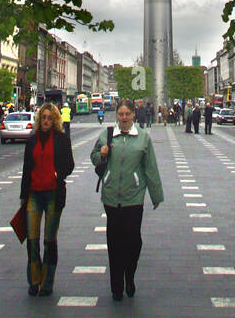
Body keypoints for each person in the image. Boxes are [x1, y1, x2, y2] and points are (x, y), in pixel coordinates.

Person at [91, 98, 164, 301]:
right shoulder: (107, 135)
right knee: (114, 242)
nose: (124, 118)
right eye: (121, 114)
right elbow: (94, 157)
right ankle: (116, 285)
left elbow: (150, 167)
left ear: (133, 115)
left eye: (127, 114)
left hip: (134, 197)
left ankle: (129, 275)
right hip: (112, 196)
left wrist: (156, 194)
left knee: (133, 240)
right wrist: (102, 154)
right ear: (117, 115)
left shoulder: (143, 138)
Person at [19, 102, 75, 297]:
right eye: (43, 118)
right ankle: (34, 281)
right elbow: (26, 169)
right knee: (32, 240)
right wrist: (23, 196)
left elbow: (70, 165)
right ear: (39, 119)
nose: (46, 121)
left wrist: (57, 174)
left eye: (50, 118)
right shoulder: (32, 140)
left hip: (53, 193)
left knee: (49, 241)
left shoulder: (61, 139)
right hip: (34, 193)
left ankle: (48, 282)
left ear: (55, 120)